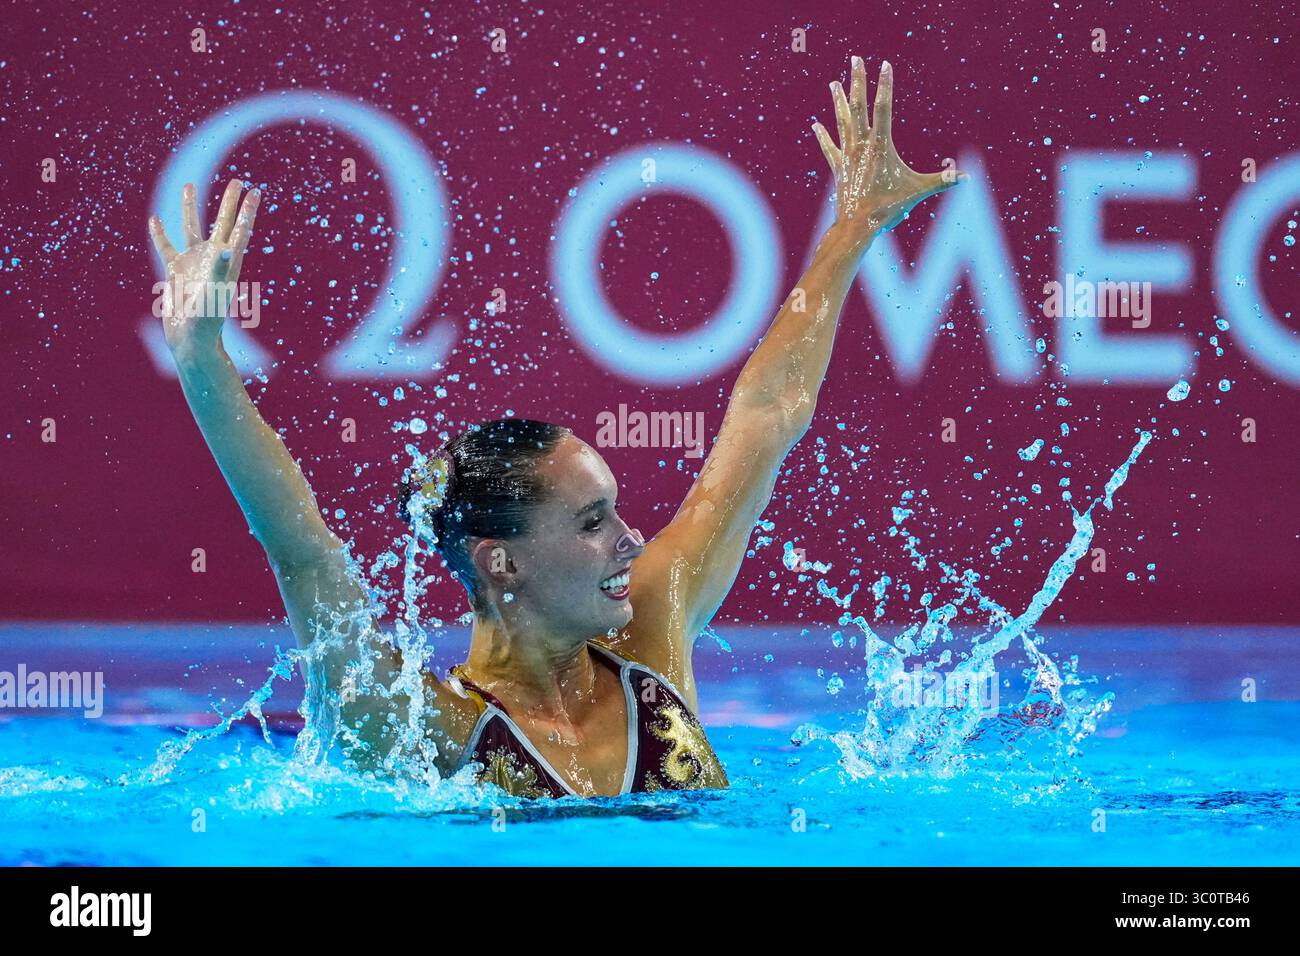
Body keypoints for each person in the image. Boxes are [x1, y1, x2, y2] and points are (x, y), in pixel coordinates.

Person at [147, 56, 965, 799]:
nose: (633, 541)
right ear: (500, 561)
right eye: (590, 522)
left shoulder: (653, 631)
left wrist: (852, 228)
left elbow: (765, 416)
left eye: (613, 509)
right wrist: (202, 359)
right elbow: (303, 552)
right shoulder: (420, 730)